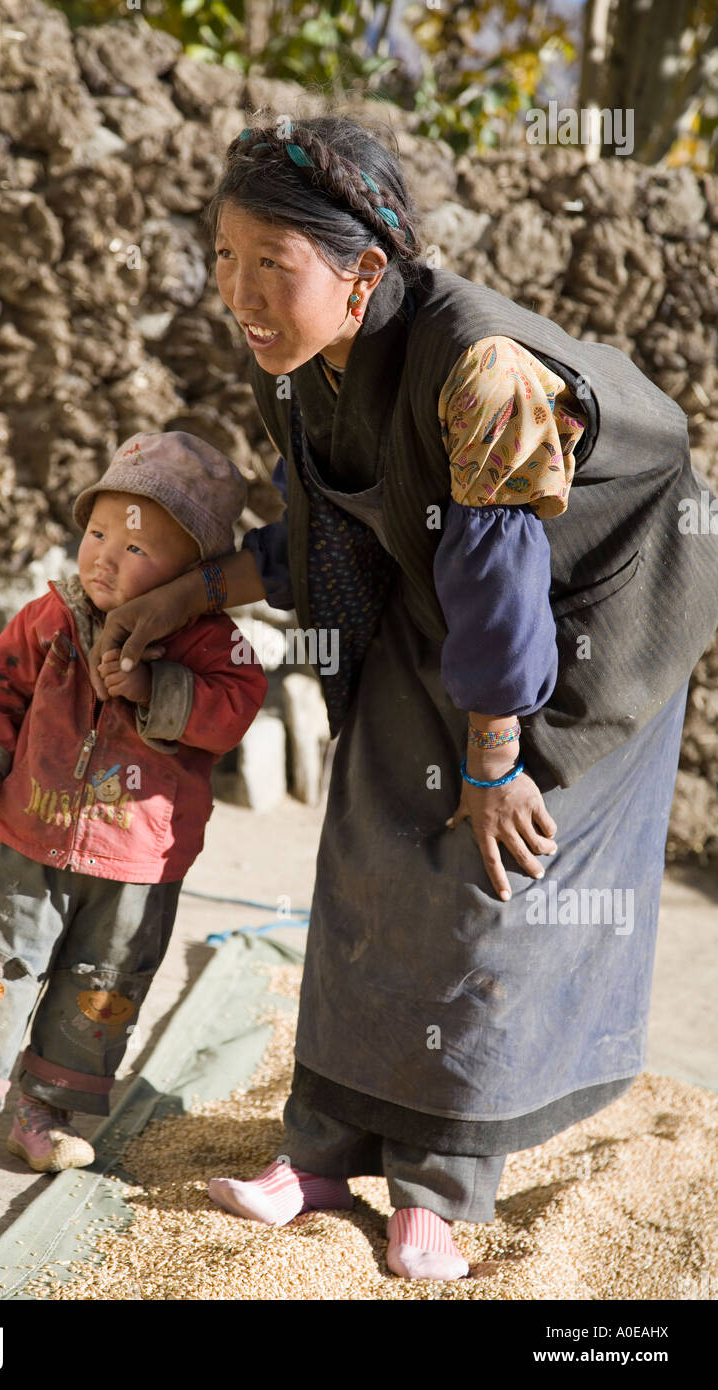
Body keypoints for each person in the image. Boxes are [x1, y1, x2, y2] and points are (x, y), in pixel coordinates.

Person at [86, 115, 718, 1280]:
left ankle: (438, 1185)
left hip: (598, 605)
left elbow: (498, 580)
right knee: (371, 828)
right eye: (224, 260)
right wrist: (186, 598)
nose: (240, 293)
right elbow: (326, 528)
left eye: (269, 265)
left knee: (488, 872)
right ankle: (321, 1151)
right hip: (463, 596)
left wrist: (491, 762)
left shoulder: (479, 371)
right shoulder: (301, 367)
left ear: (362, 270)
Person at [0, 432, 268, 1177]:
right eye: (97, 533)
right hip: (28, 839)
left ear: (191, 574)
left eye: (135, 549)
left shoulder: (214, 647)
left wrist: (158, 691)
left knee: (102, 986)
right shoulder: (52, 616)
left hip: (138, 862)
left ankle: (44, 1111)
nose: (102, 557)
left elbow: (232, 712)